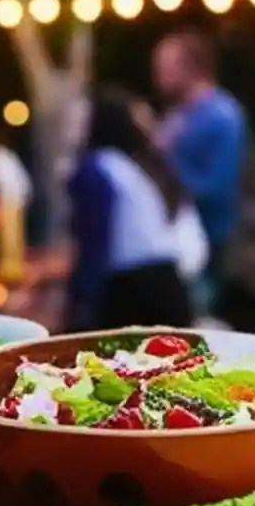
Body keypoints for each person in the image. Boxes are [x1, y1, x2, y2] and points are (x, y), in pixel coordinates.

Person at [66, 94, 204, 331]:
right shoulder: (133, 165)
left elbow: (95, 243)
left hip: (132, 288)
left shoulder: (96, 167)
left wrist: (79, 303)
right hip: (169, 283)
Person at [153, 29, 246, 315]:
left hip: (209, 240)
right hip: (174, 243)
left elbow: (218, 185)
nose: (158, 77)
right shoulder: (177, 116)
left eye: (165, 68)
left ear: (191, 68)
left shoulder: (222, 115)